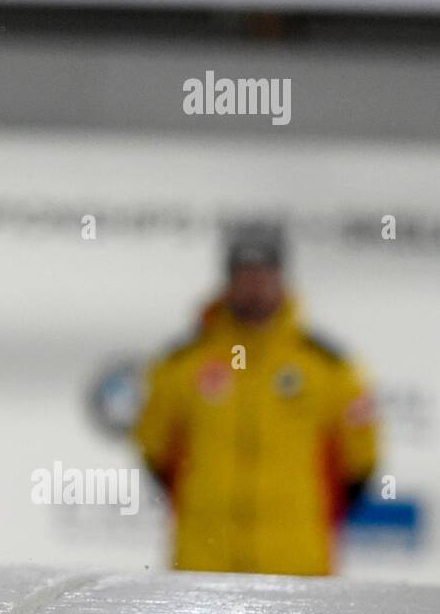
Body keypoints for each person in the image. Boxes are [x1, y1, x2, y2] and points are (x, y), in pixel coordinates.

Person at [133, 221, 377, 575]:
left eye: (263, 275)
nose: (254, 287)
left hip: (296, 569)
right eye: (244, 276)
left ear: (281, 278)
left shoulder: (329, 368)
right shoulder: (181, 365)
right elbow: (155, 452)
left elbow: (359, 465)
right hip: (203, 567)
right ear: (228, 281)